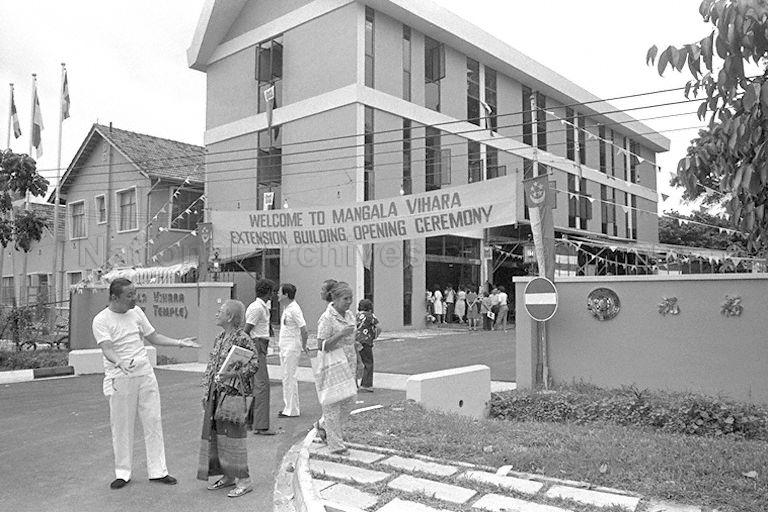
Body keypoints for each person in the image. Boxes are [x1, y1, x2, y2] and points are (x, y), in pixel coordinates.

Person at [92, 278, 199, 490]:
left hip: (144, 372)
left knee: (153, 420)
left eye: (135, 293)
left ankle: (158, 470)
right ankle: (123, 473)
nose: (135, 298)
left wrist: (179, 343)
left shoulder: (137, 313)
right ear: (114, 297)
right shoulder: (101, 320)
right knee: (122, 426)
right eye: (130, 295)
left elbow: (154, 337)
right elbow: (107, 348)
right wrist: (119, 361)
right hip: (120, 377)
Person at [198, 300, 258, 498]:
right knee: (219, 437)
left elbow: (254, 364)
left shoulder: (242, 339)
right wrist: (206, 392)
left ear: (230, 317)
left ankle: (244, 480)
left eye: (220, 311)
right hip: (216, 394)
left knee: (234, 438)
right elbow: (211, 366)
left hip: (233, 396)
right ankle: (228, 475)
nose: (217, 314)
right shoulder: (220, 337)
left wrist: (233, 374)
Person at [316, 281, 357, 454]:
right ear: (336, 299)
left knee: (349, 401)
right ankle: (336, 445)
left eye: (351, 298)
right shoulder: (327, 318)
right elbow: (320, 344)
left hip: (349, 363)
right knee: (333, 405)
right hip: (332, 366)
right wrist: (341, 334)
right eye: (346, 299)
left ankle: (324, 425)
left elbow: (353, 340)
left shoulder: (349, 316)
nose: (349, 302)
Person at [244, 278, 276, 435]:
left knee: (257, 385)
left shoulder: (260, 307)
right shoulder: (258, 308)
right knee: (262, 386)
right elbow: (247, 330)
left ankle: (252, 421)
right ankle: (261, 426)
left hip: (259, 345)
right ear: (268, 292)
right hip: (257, 346)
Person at [277, 283, 308, 417]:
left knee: (290, 377)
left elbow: (304, 329)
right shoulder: (287, 308)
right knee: (286, 377)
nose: (277, 295)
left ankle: (292, 409)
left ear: (286, 295)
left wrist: (304, 344)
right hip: (284, 346)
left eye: (280, 292)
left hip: (291, 347)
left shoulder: (294, 309)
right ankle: (288, 407)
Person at [355, 299, 380, 392]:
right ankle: (366, 384)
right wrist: (375, 336)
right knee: (368, 363)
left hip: (356, 341)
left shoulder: (356, 316)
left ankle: (354, 384)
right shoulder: (370, 316)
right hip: (365, 341)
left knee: (357, 362)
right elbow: (378, 327)